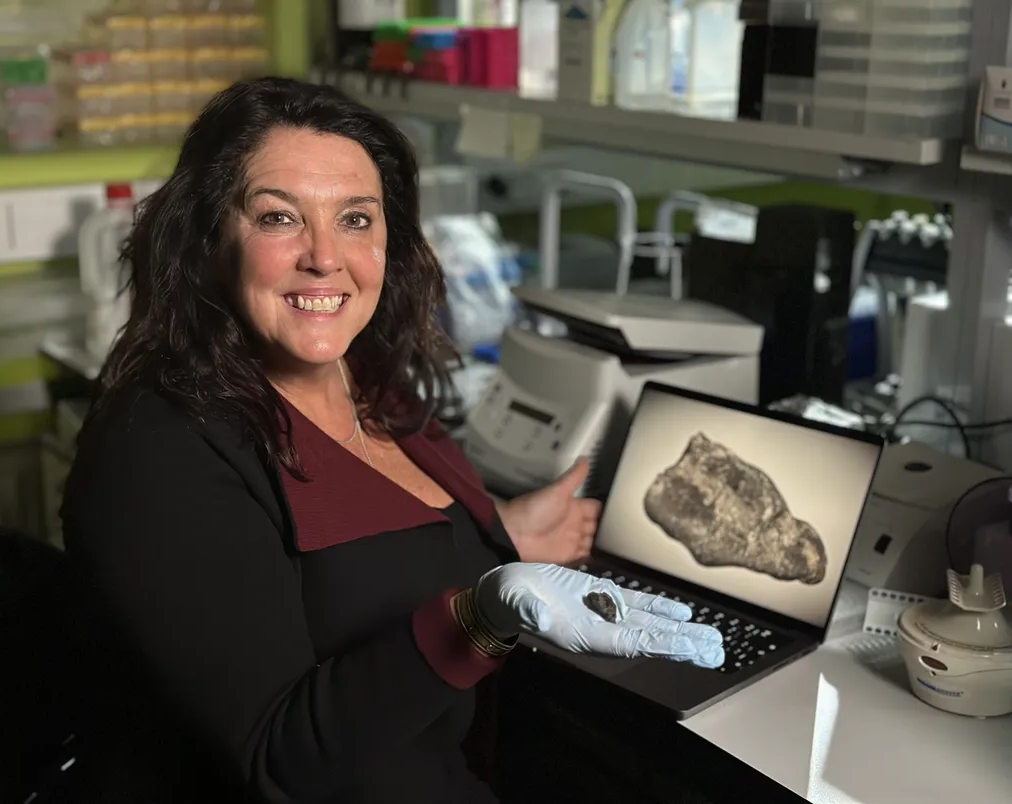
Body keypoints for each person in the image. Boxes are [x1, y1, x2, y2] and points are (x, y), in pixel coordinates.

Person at [61, 77, 724, 804]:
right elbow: (277, 761)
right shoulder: (160, 447)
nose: (324, 256)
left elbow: (383, 561)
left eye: (355, 219)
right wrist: (480, 614)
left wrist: (502, 534)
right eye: (279, 218)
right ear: (210, 237)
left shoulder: (367, 378)